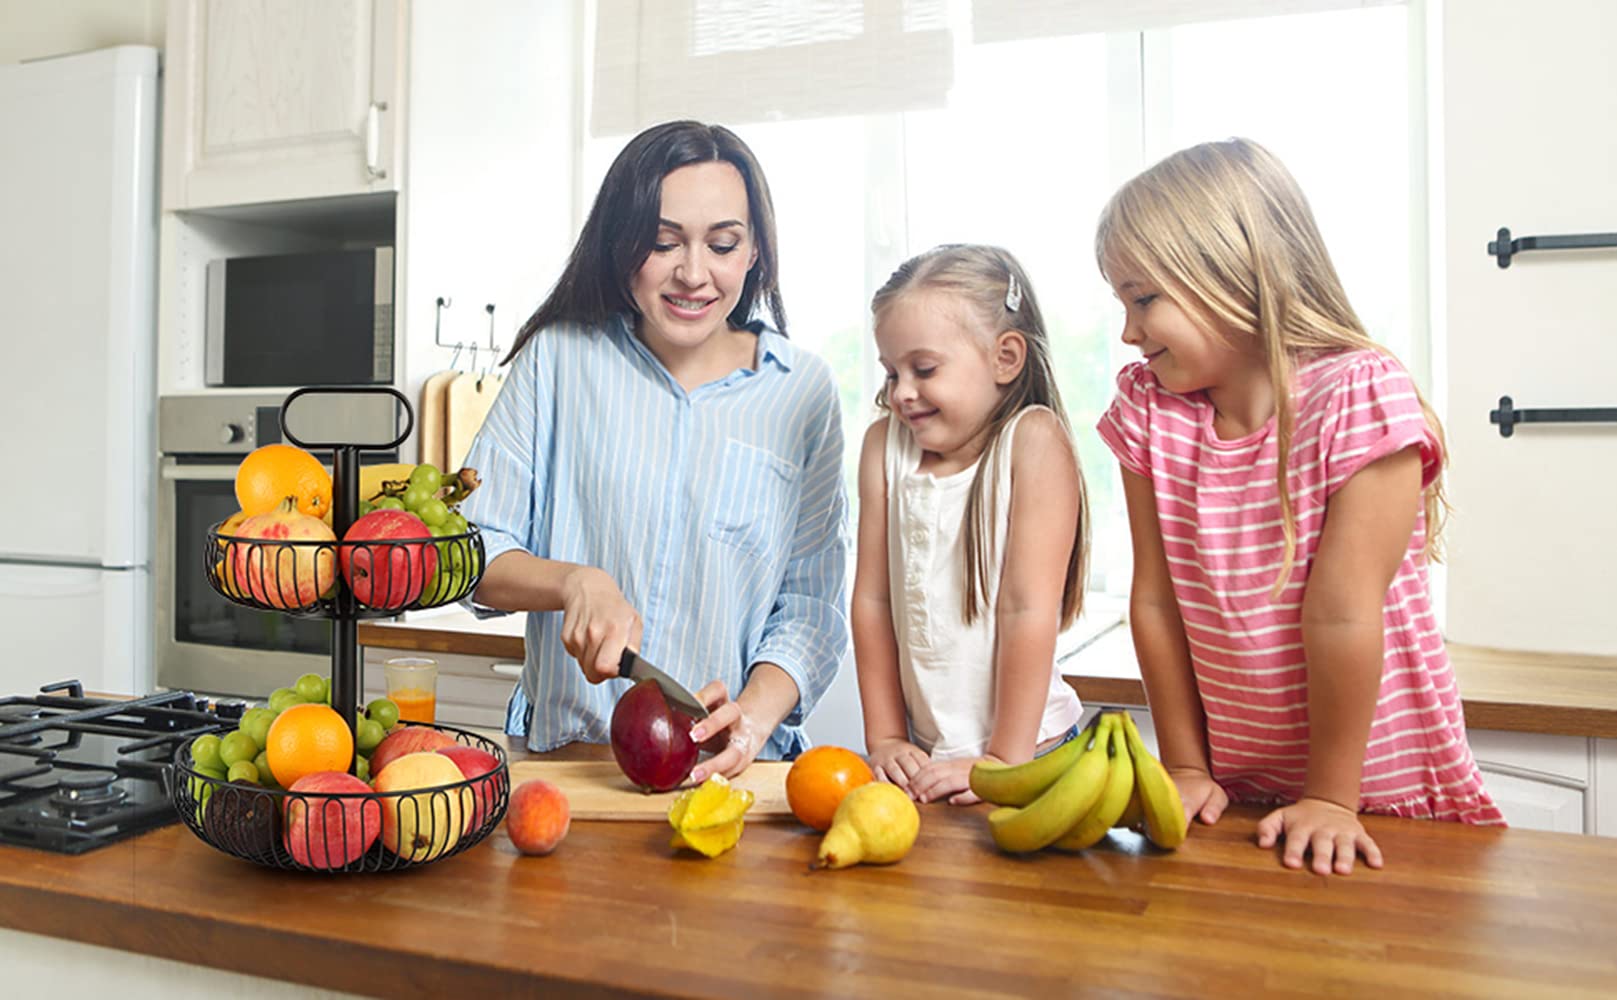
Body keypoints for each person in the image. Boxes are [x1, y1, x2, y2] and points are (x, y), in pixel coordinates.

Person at [1094, 137, 1503, 875]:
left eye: (1143, 297)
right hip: (1242, 795)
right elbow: (1155, 602)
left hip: (1371, 795)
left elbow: (1341, 613)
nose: (1128, 330)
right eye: (1121, 301)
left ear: (1233, 273)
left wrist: (1330, 798)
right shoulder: (1150, 412)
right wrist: (1185, 766)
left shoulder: (1357, 395)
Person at [460, 120, 848, 781]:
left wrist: (750, 718)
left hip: (732, 775)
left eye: (722, 244)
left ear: (753, 251)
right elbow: (470, 551)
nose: (693, 274)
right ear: (621, 244)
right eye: (664, 243)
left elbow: (812, 605)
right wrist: (574, 581)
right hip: (572, 766)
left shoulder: (801, 391)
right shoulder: (558, 360)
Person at [851, 244, 1089, 806]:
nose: (901, 391)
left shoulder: (1032, 442)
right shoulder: (883, 447)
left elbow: (1028, 610)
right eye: (892, 371)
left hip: (1034, 758)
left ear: (1006, 358)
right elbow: (872, 602)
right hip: (932, 766)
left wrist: (1003, 763)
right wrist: (885, 737)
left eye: (924, 369)